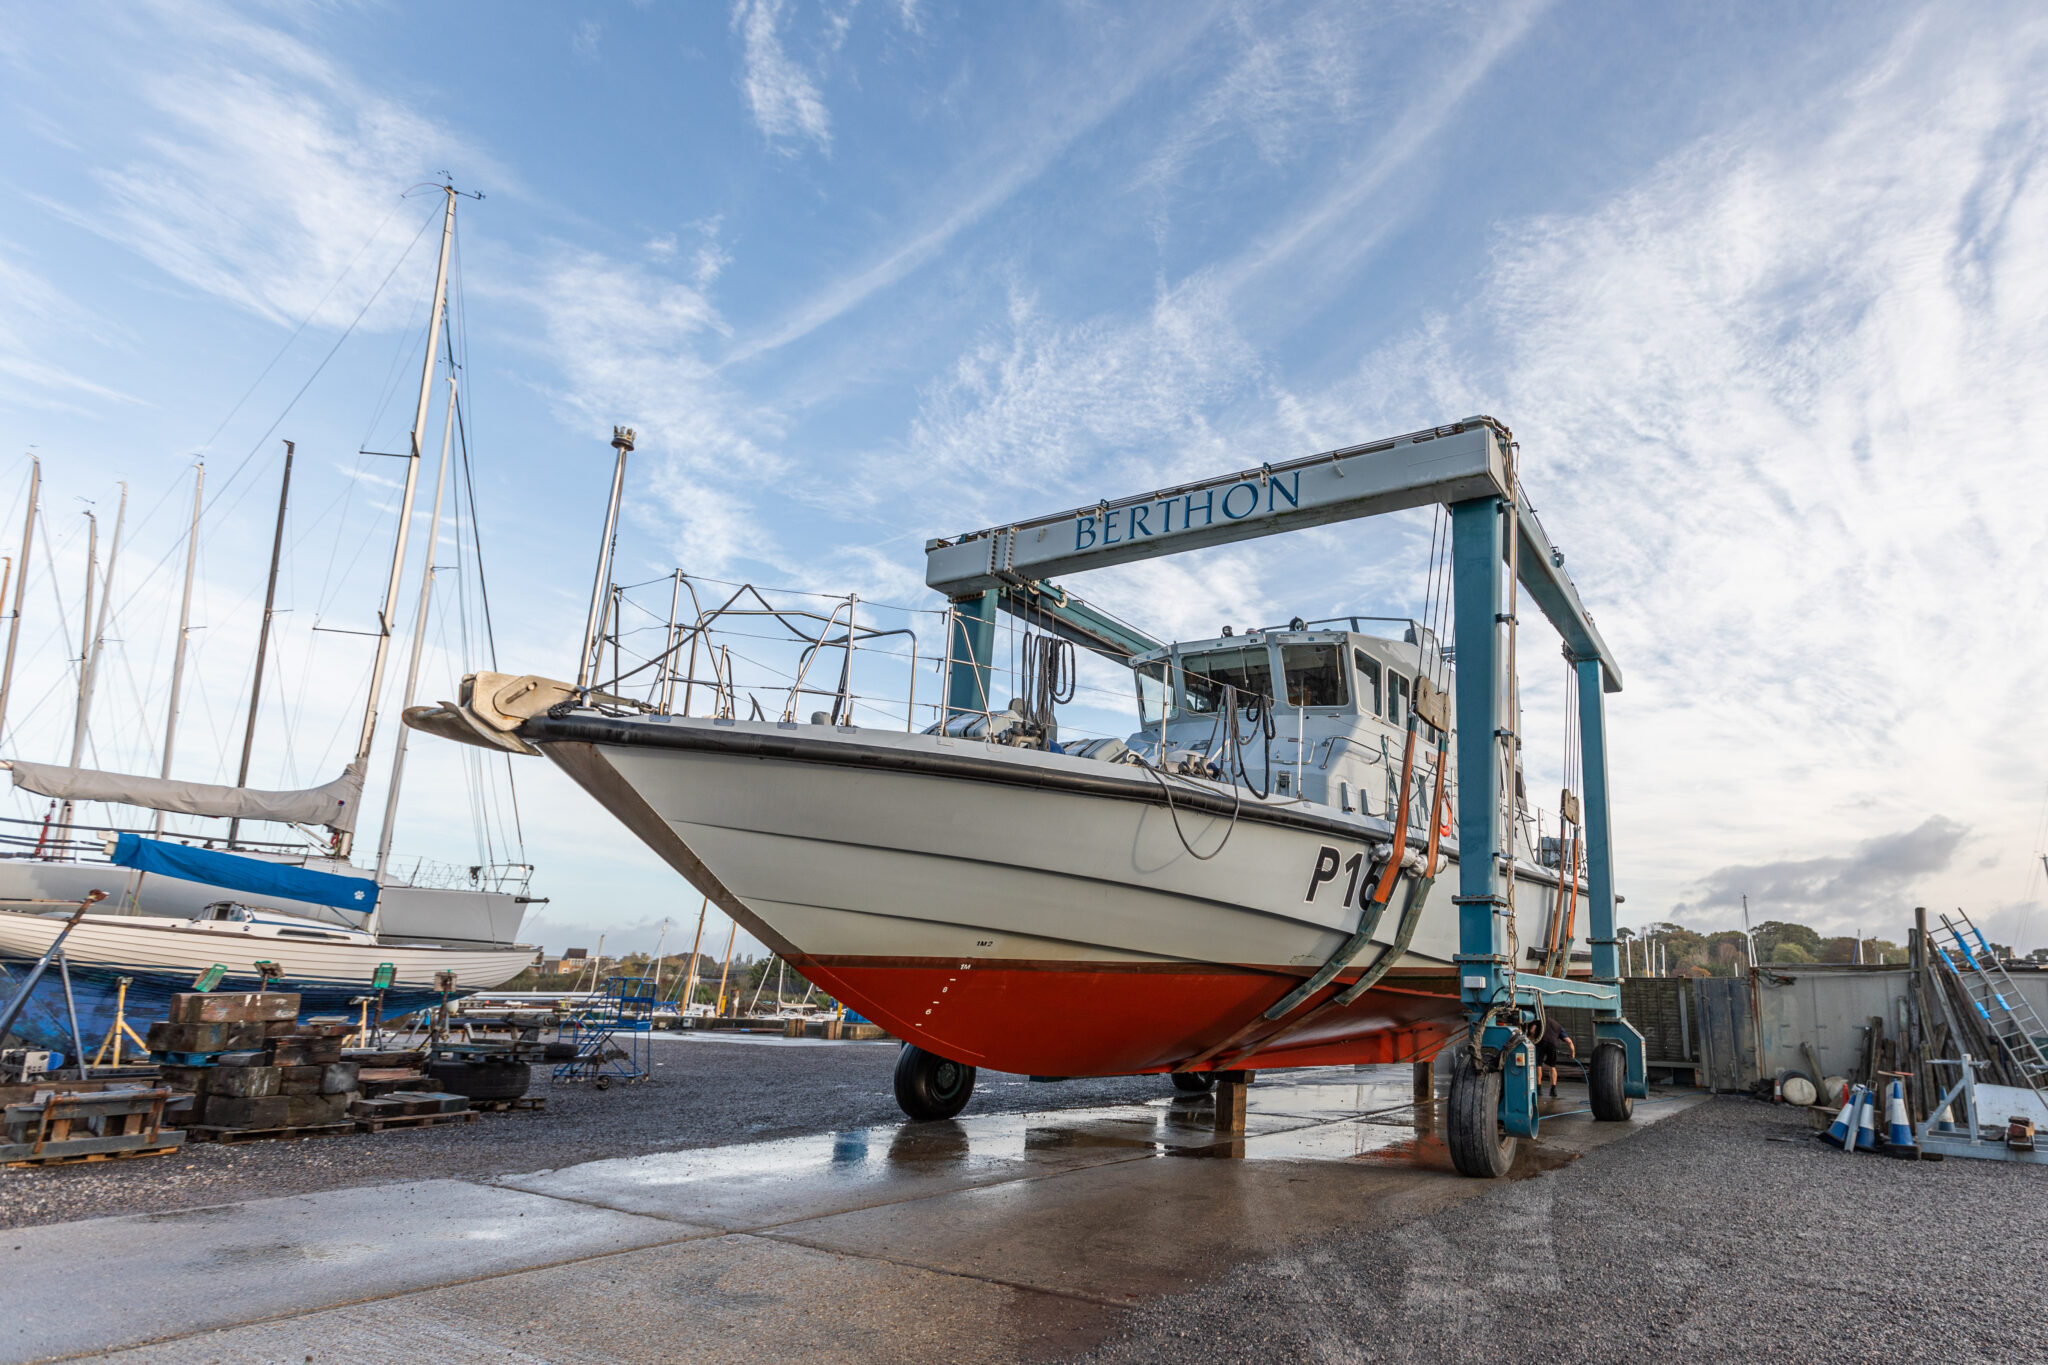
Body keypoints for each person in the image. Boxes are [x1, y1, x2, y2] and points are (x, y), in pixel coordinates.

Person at [1531, 1015, 1576, 1098]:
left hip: (1541, 1042)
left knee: (1538, 1065)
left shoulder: (1538, 1021)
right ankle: (1553, 1089)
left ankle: (1538, 1089)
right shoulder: (1558, 1026)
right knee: (1552, 1066)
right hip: (1553, 1044)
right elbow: (1569, 1041)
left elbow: (1532, 1030)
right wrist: (1572, 1053)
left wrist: (1533, 1039)